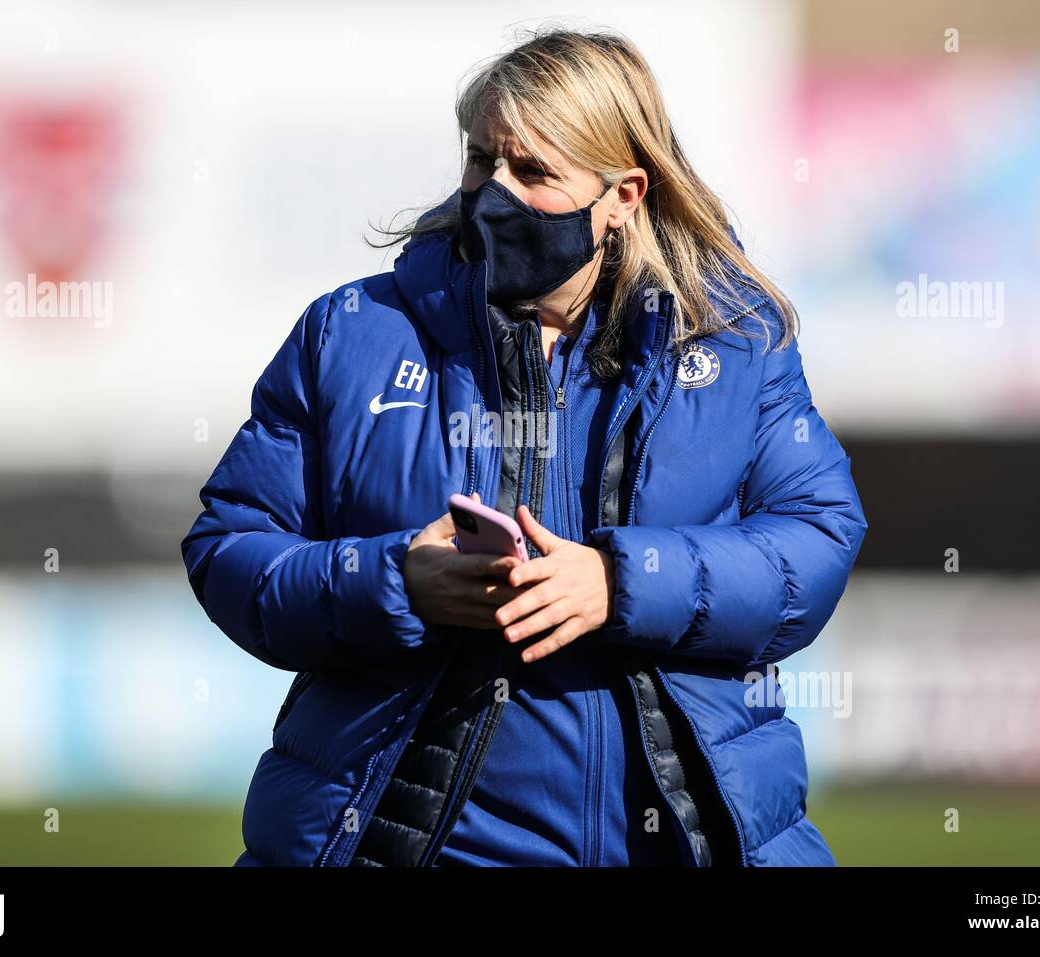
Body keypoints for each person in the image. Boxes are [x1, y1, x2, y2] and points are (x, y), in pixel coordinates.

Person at [180, 27, 867, 867]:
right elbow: (229, 548)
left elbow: (817, 541)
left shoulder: (735, 343)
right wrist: (392, 580)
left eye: (532, 172)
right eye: (480, 161)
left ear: (624, 194)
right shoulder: (351, 332)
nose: (491, 193)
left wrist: (620, 581)